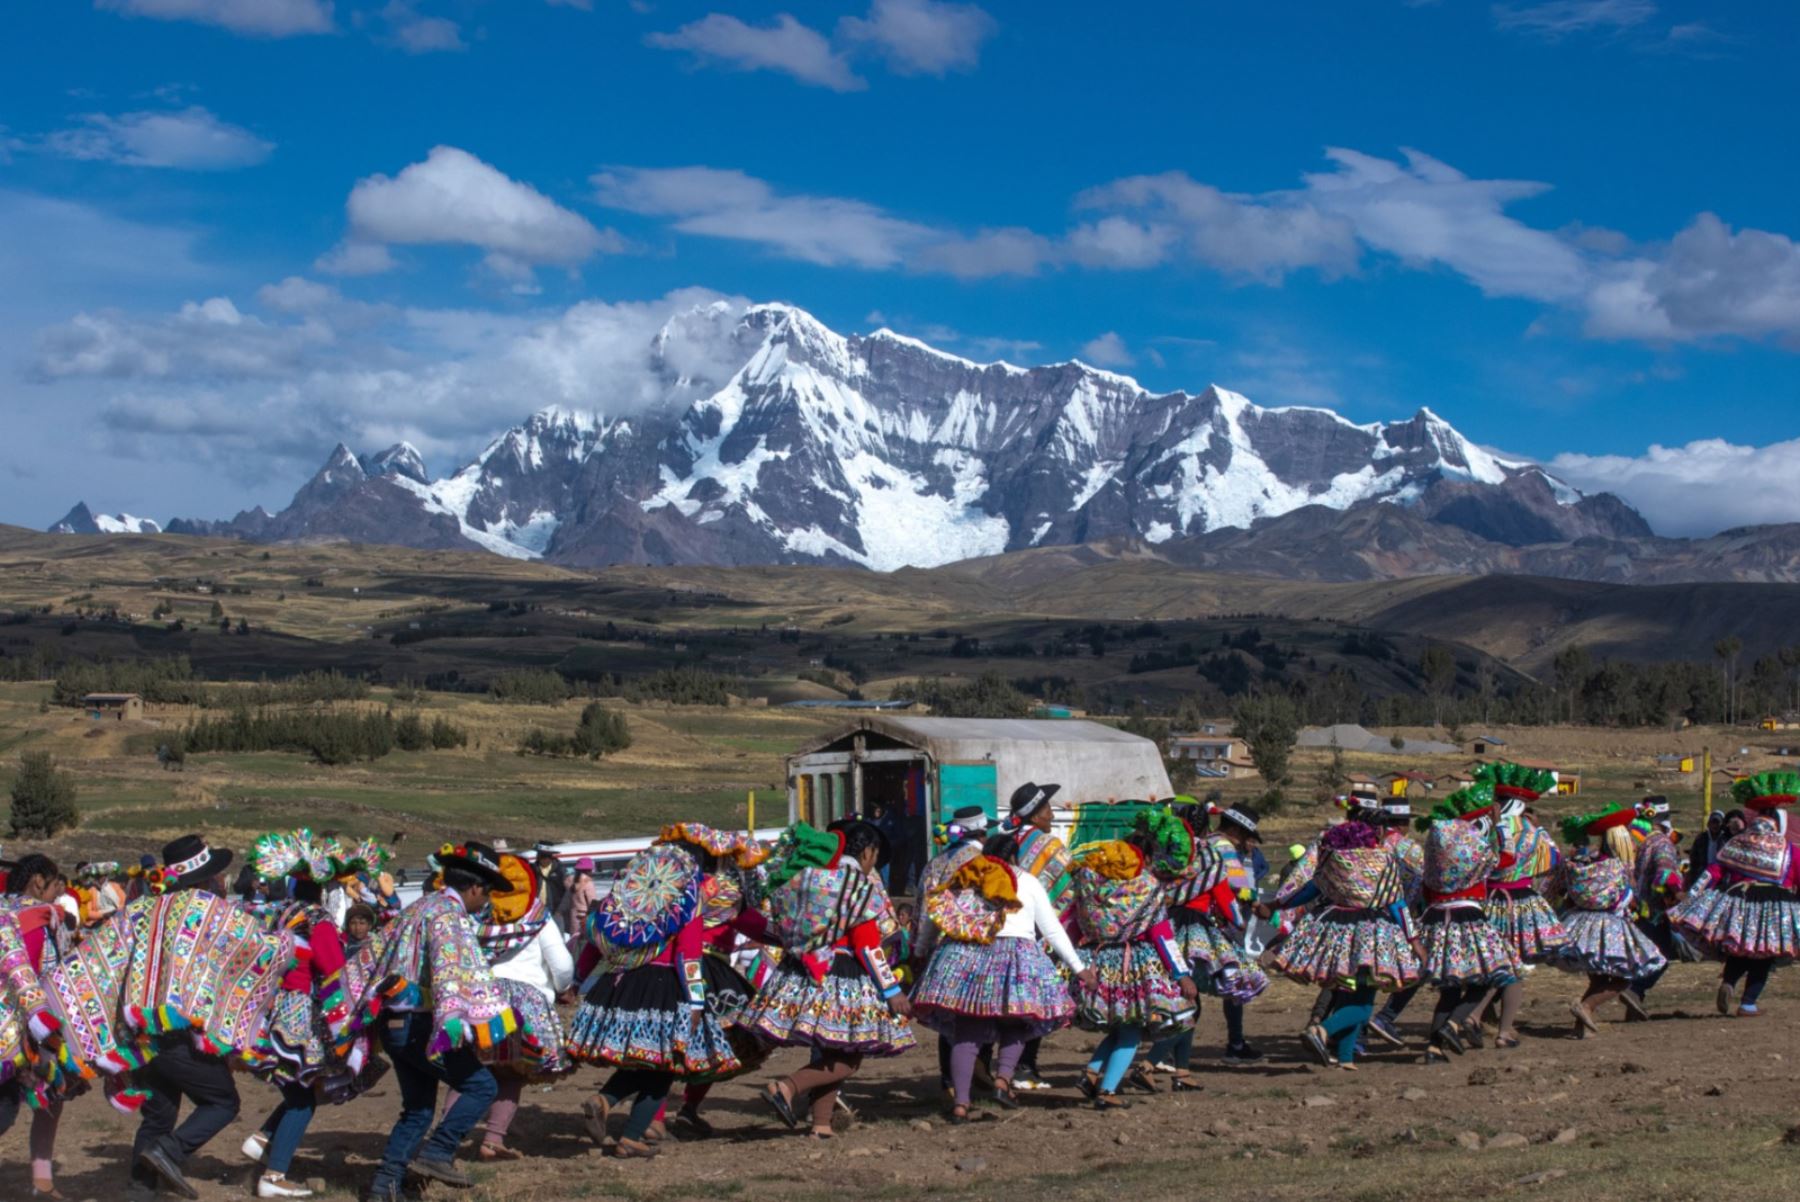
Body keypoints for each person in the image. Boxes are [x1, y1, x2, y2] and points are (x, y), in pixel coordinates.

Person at [126, 835, 292, 1201]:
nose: (222, 881)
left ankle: (138, 1192)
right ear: (206, 878)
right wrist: (290, 939)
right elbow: (257, 948)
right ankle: (170, 1152)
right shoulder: (211, 909)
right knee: (222, 1103)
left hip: (142, 1033)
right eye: (218, 874)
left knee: (158, 1116)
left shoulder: (147, 909)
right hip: (180, 1032)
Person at [568, 830, 747, 1158]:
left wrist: (578, 981)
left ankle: (604, 1101)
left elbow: (597, 937)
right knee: (665, 1064)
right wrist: (695, 999)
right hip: (666, 987)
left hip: (622, 984)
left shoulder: (629, 894)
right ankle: (631, 1135)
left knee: (643, 1061)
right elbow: (688, 953)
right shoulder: (685, 896)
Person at [357, 842, 517, 1202]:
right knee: (481, 1087)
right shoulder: (448, 915)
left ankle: (385, 1188)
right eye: (487, 892)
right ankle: (438, 1152)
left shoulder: (418, 906)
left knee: (418, 1109)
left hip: (395, 1022)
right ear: (475, 887)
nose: (486, 900)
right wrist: (455, 1019)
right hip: (423, 1023)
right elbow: (448, 973)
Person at [749, 821, 915, 1140]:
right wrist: (891, 989)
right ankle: (785, 1087)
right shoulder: (857, 886)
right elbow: (867, 943)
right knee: (850, 1056)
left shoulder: (811, 878)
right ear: (867, 852)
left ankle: (821, 1124)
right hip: (843, 976)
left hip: (804, 972)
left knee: (833, 1050)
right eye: (874, 856)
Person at [913, 830, 1093, 1120]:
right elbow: (1051, 929)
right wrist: (1079, 968)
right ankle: (1002, 1078)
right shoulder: (1028, 881)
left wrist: (921, 949)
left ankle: (960, 1103)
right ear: (1013, 856)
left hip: (966, 958)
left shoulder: (968, 874)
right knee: (1018, 1023)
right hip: (1016, 958)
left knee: (967, 1032)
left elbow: (939, 915)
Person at [444, 850, 574, 1162]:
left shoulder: (473, 917)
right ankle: (493, 1139)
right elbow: (562, 965)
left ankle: (446, 1138)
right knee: (511, 1073)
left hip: (478, 1000)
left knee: (469, 1070)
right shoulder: (538, 918)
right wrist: (562, 988)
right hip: (522, 1008)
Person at [1264, 817, 1422, 1070]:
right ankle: (1321, 1030)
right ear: (1375, 833)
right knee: (1364, 1003)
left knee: (1350, 996)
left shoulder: (1333, 859)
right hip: (1372, 934)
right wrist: (1413, 940)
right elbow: (1396, 903)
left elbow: (1309, 891)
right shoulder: (1384, 860)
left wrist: (1277, 905)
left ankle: (1346, 1058)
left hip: (1337, 933)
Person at [1068, 812, 1200, 1109]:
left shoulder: (1091, 880)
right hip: (1135, 966)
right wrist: (1181, 974)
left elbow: (1073, 919)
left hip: (1099, 960)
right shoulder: (1147, 887)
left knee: (1120, 1026)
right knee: (1131, 1029)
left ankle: (1091, 1074)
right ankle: (1108, 1091)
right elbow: (1162, 935)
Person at [1670, 774, 1800, 1019]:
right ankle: (1748, 1003)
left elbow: (1714, 871)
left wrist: (1691, 898)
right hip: (1774, 907)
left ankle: (1729, 982)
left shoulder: (1738, 842)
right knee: (1765, 954)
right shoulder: (1788, 850)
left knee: (1740, 949)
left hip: (1739, 902)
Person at [1413, 787, 1519, 1061]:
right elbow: (1507, 861)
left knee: (1448, 988)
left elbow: (1424, 890)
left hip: (1436, 920)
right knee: (1489, 976)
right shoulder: (1474, 850)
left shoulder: (1434, 853)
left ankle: (1434, 1048)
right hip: (1467, 918)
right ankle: (1453, 1024)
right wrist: (1501, 826)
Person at [1554, 805, 1668, 1037]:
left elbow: (1566, 890)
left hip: (1580, 926)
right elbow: (1625, 897)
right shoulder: (1618, 867)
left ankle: (1583, 1026)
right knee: (1624, 977)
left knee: (1598, 977)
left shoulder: (1586, 862)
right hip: (1609, 926)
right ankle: (1585, 1006)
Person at [1477, 763, 1566, 1047]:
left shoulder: (1485, 829)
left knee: (1490, 961)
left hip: (1487, 901)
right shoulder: (1533, 833)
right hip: (1521, 903)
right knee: (1512, 965)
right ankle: (1498, 1027)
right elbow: (1552, 861)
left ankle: (1482, 1020)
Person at [0, 856, 71, 1198]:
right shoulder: (44, 920)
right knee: (49, 1098)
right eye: (56, 884)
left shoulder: (2, 911)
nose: (59, 892)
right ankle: (42, 1180)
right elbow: (53, 977)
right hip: (30, 1026)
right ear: (39, 881)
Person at [910, 805, 993, 1096]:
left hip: (939, 948)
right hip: (972, 947)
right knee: (979, 1013)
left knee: (950, 1018)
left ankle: (949, 1079)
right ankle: (976, 1078)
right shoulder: (981, 861)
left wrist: (921, 948)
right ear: (983, 833)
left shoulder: (935, 862)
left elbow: (923, 906)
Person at [1203, 803, 1272, 1062]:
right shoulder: (1224, 846)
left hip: (1204, 918)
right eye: (1244, 835)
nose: (1246, 841)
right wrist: (1256, 905)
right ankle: (1235, 1043)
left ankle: (1236, 1042)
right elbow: (1237, 883)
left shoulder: (1205, 841)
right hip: (1220, 923)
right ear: (1234, 828)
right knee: (1236, 983)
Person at [1626, 798, 1686, 1014]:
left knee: (1643, 953)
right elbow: (1665, 868)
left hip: (1634, 906)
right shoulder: (1661, 843)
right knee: (1661, 955)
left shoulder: (1637, 842)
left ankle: (1634, 1003)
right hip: (1653, 910)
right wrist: (1676, 891)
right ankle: (1635, 989)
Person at [560, 857, 599, 953]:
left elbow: (566, 901)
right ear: (589, 870)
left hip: (573, 916)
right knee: (586, 943)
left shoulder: (570, 881)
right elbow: (592, 902)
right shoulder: (588, 883)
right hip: (586, 916)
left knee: (574, 941)